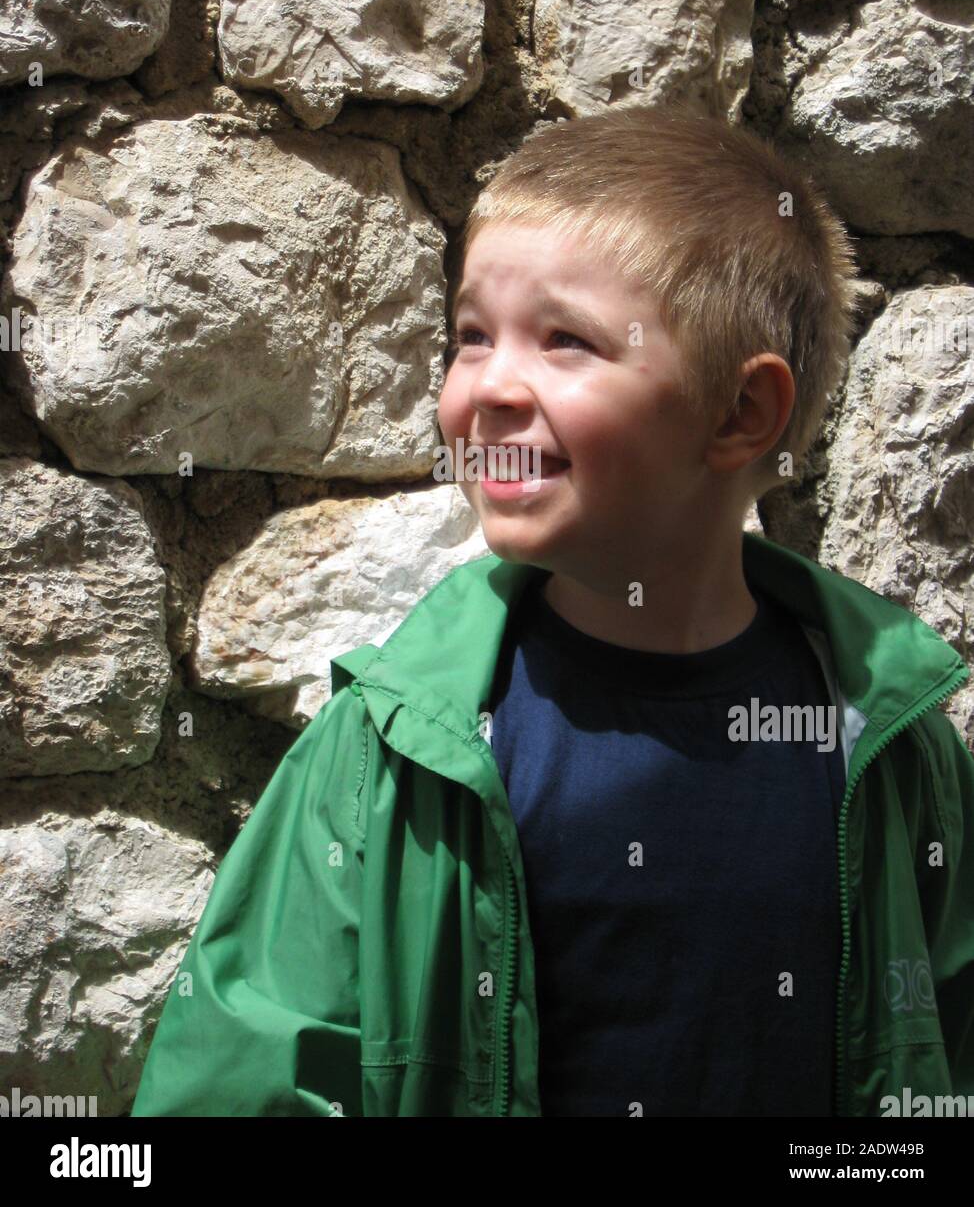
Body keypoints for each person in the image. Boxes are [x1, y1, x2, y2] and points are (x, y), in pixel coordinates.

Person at [130, 104, 974, 1117]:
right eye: (471, 335)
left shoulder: (886, 753)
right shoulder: (389, 755)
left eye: (563, 341)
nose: (488, 387)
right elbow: (244, 1067)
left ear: (741, 413)